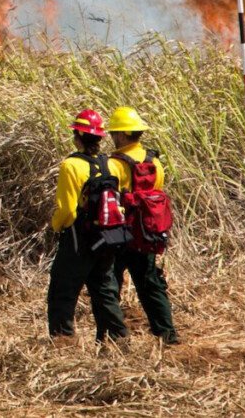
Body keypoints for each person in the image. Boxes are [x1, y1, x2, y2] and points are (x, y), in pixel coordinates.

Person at [46, 108, 128, 342]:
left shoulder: (70, 166)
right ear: (100, 138)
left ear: (78, 137)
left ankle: (63, 342)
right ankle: (117, 339)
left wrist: (56, 227)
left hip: (78, 238)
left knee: (63, 291)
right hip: (107, 237)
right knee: (105, 290)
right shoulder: (113, 165)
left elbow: (66, 209)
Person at [106, 106, 180, 345]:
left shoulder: (114, 164)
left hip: (119, 233)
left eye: (114, 132)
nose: (112, 137)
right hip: (147, 234)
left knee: (109, 285)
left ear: (124, 135)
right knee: (151, 285)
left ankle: (114, 336)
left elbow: (109, 200)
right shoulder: (155, 162)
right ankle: (167, 334)